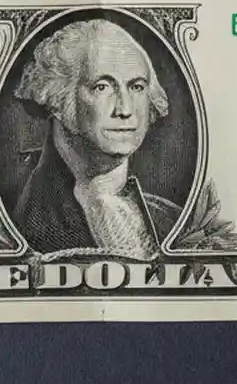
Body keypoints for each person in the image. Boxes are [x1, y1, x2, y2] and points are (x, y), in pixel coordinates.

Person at [12, 19, 182, 258]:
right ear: (57, 99)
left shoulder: (172, 219)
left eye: (136, 87)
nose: (124, 109)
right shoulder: (21, 218)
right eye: (102, 87)